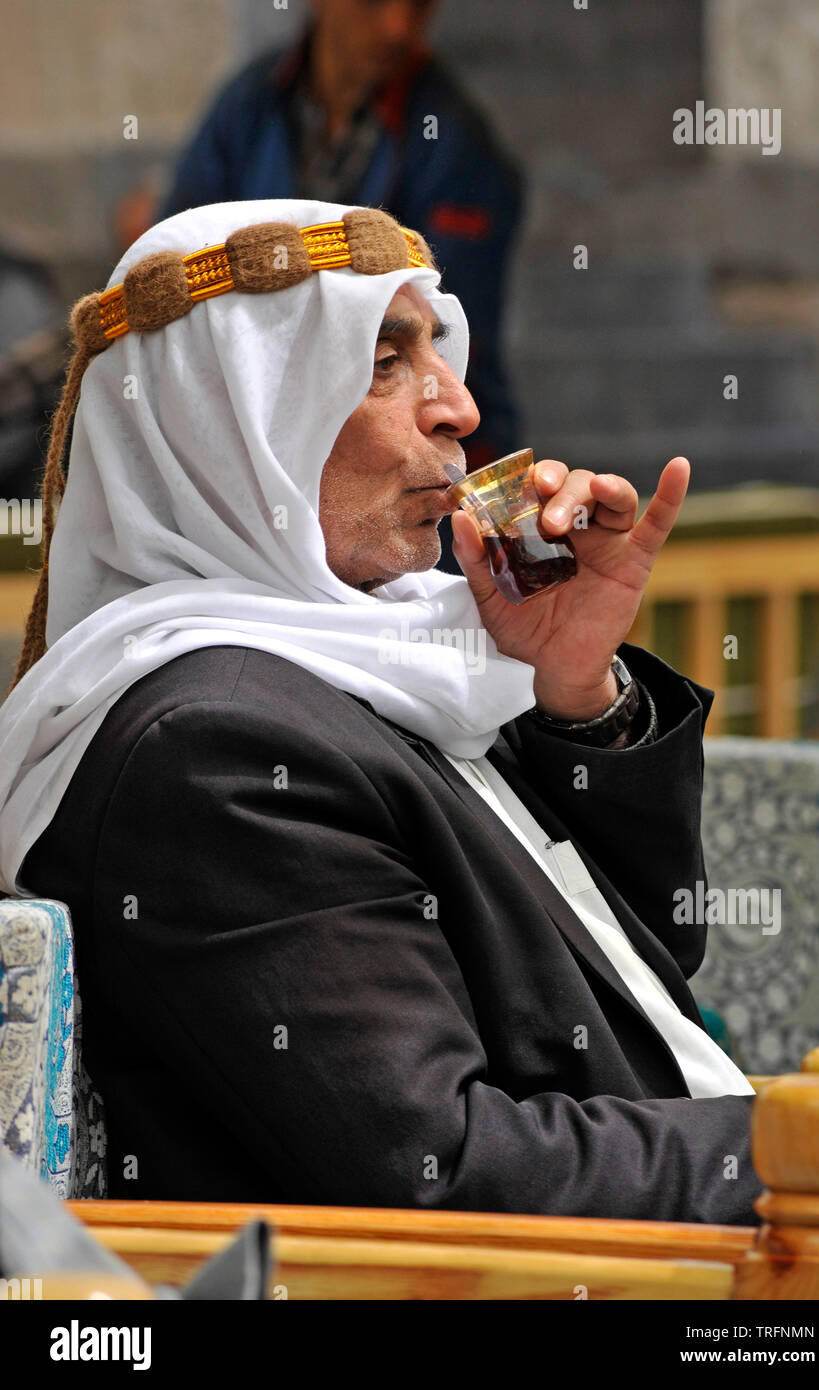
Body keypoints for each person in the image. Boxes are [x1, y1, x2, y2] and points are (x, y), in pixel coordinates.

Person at [0, 200, 761, 1224]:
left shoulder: (379, 655)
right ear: (237, 420)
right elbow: (448, 1175)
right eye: (383, 360)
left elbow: (646, 971)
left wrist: (574, 693)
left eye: (435, 354)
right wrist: (794, 1148)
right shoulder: (214, 748)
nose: (457, 408)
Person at [159, 0, 525, 572]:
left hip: (422, 470)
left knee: (447, 607)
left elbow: (441, 343)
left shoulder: (455, 141)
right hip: (269, 456)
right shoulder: (249, 109)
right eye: (373, 2)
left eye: (421, 7)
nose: (398, 27)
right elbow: (172, 274)